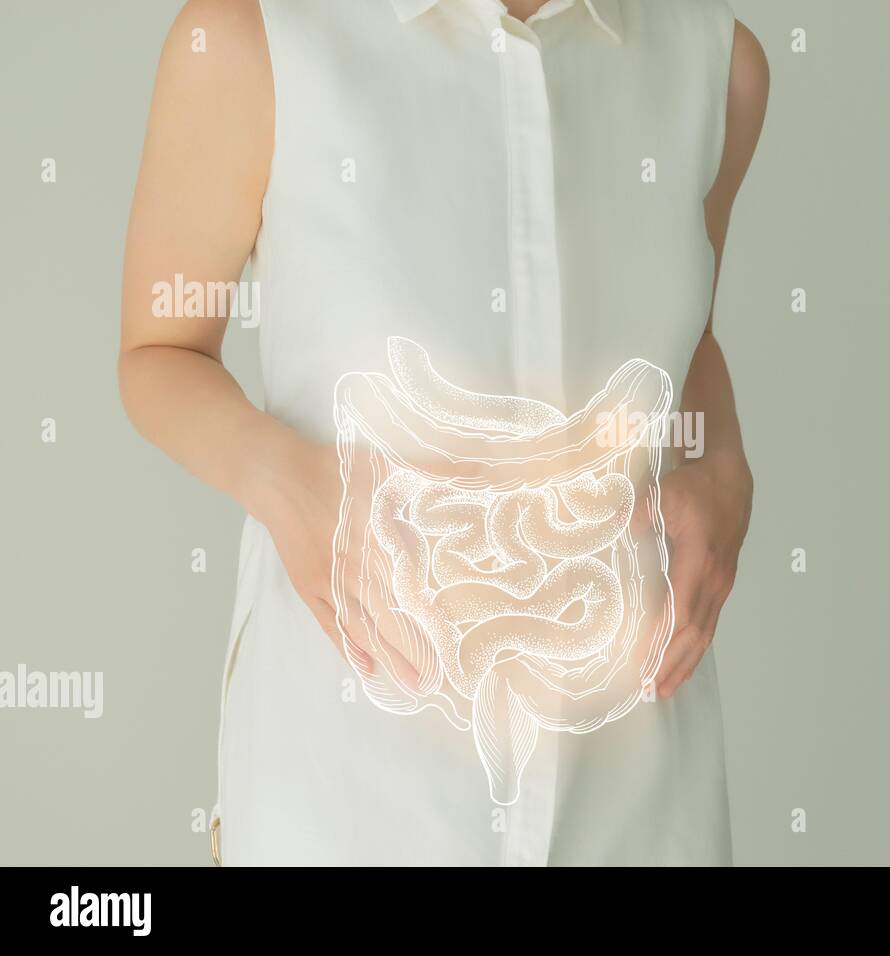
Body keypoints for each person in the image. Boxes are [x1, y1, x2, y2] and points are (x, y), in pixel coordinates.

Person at [119, 0, 767, 866]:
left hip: (641, 792)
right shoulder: (255, 36)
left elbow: (689, 338)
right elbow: (158, 352)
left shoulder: (718, 67)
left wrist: (723, 463)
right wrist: (280, 476)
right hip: (346, 790)